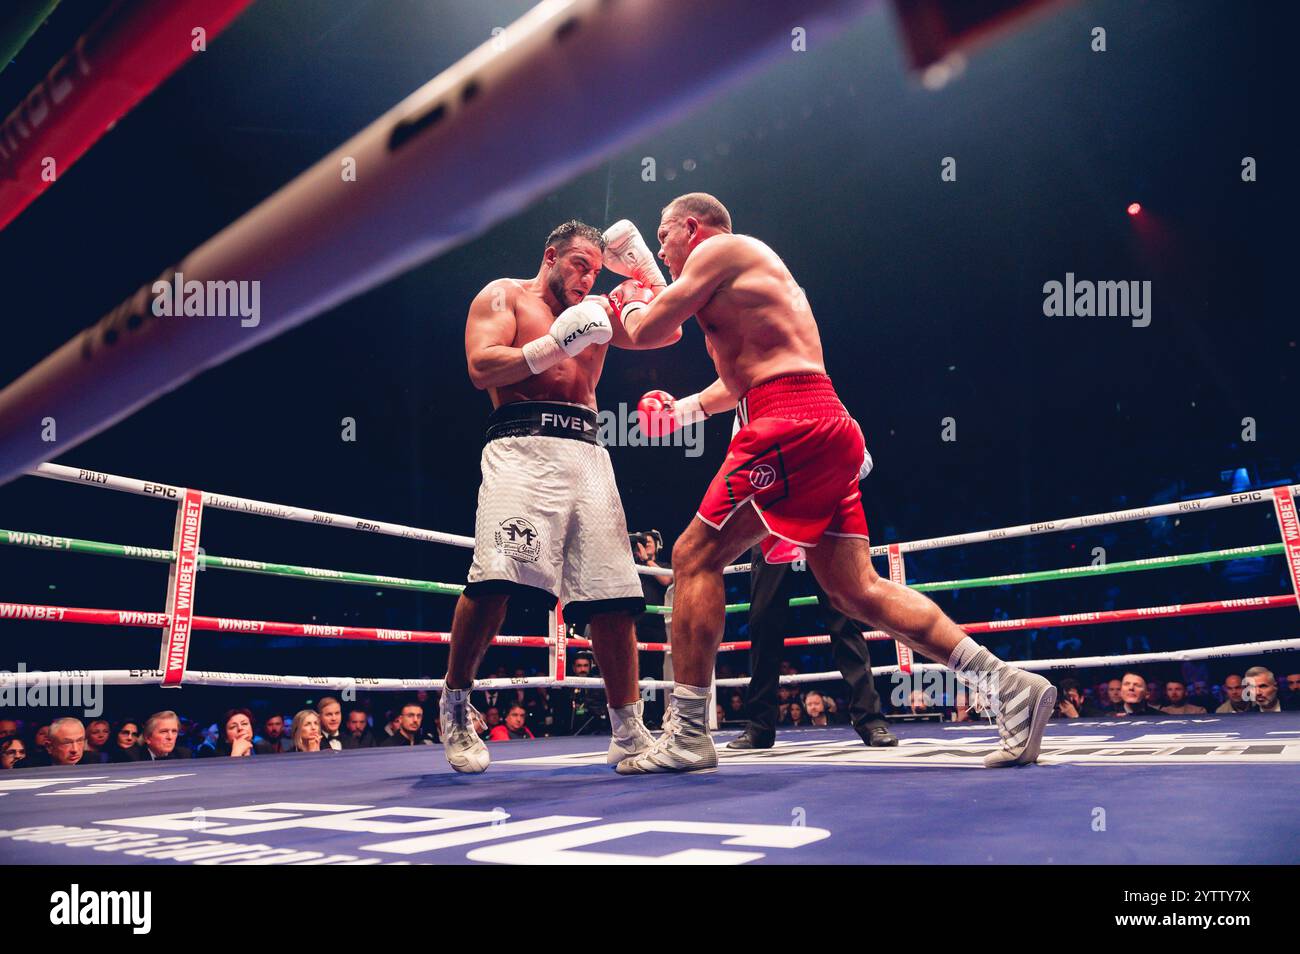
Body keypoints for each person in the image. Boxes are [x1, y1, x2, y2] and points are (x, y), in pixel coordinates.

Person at [609, 193, 1055, 773]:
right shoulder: (735, 273)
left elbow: (648, 333)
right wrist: (685, 409)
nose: (660, 250)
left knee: (693, 556)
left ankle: (689, 734)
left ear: (690, 227)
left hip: (789, 422)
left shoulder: (721, 249)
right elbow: (739, 377)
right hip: (819, 421)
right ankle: (1007, 684)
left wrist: (632, 297)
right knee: (855, 590)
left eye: (663, 236)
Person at [440, 219, 675, 773]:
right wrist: (549, 347)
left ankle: (627, 729)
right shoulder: (503, 296)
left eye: (597, 269)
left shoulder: (599, 311)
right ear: (551, 255)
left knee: (614, 597)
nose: (588, 278)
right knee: (496, 578)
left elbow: (666, 331)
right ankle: (454, 704)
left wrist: (645, 270)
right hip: (519, 444)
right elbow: (480, 368)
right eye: (579, 265)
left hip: (588, 451)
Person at [727, 537, 896, 751]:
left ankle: (870, 721)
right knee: (763, 624)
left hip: (821, 523)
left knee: (844, 618)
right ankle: (760, 727)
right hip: (772, 525)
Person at [196, 709, 272, 757]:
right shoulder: (213, 755)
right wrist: (236, 754)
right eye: (233, 727)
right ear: (225, 737)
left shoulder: (264, 748)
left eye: (244, 724)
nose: (240, 728)